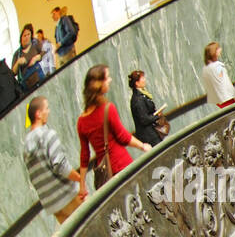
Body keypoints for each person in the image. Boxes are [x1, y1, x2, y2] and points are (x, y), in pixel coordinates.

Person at [77, 64, 151, 189]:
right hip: (122, 165)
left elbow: (85, 155)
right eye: (107, 78)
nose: (110, 80)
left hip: (105, 176)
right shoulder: (107, 109)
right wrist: (142, 146)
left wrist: (82, 185)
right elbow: (123, 137)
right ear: (99, 84)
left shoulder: (81, 121)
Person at [23, 95, 85, 224]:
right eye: (47, 108)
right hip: (69, 195)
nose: (49, 111)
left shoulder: (26, 146)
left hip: (53, 205)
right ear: (38, 114)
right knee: (93, 230)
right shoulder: (48, 135)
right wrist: (80, 179)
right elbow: (60, 165)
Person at [128, 70, 165, 147]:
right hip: (148, 135)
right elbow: (144, 119)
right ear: (137, 83)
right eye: (142, 78)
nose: (145, 80)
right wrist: (157, 116)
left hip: (151, 132)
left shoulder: (142, 95)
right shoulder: (138, 99)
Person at [201, 42, 235, 109]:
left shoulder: (205, 68)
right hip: (227, 98)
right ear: (213, 51)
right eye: (218, 48)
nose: (220, 49)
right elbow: (225, 82)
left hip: (218, 100)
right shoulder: (218, 66)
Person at [12, 24, 44, 91]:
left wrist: (37, 58)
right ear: (21, 38)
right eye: (24, 35)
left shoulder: (35, 45)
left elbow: (43, 52)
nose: (26, 37)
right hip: (28, 87)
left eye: (28, 34)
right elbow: (13, 73)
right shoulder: (17, 54)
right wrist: (18, 63)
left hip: (41, 80)